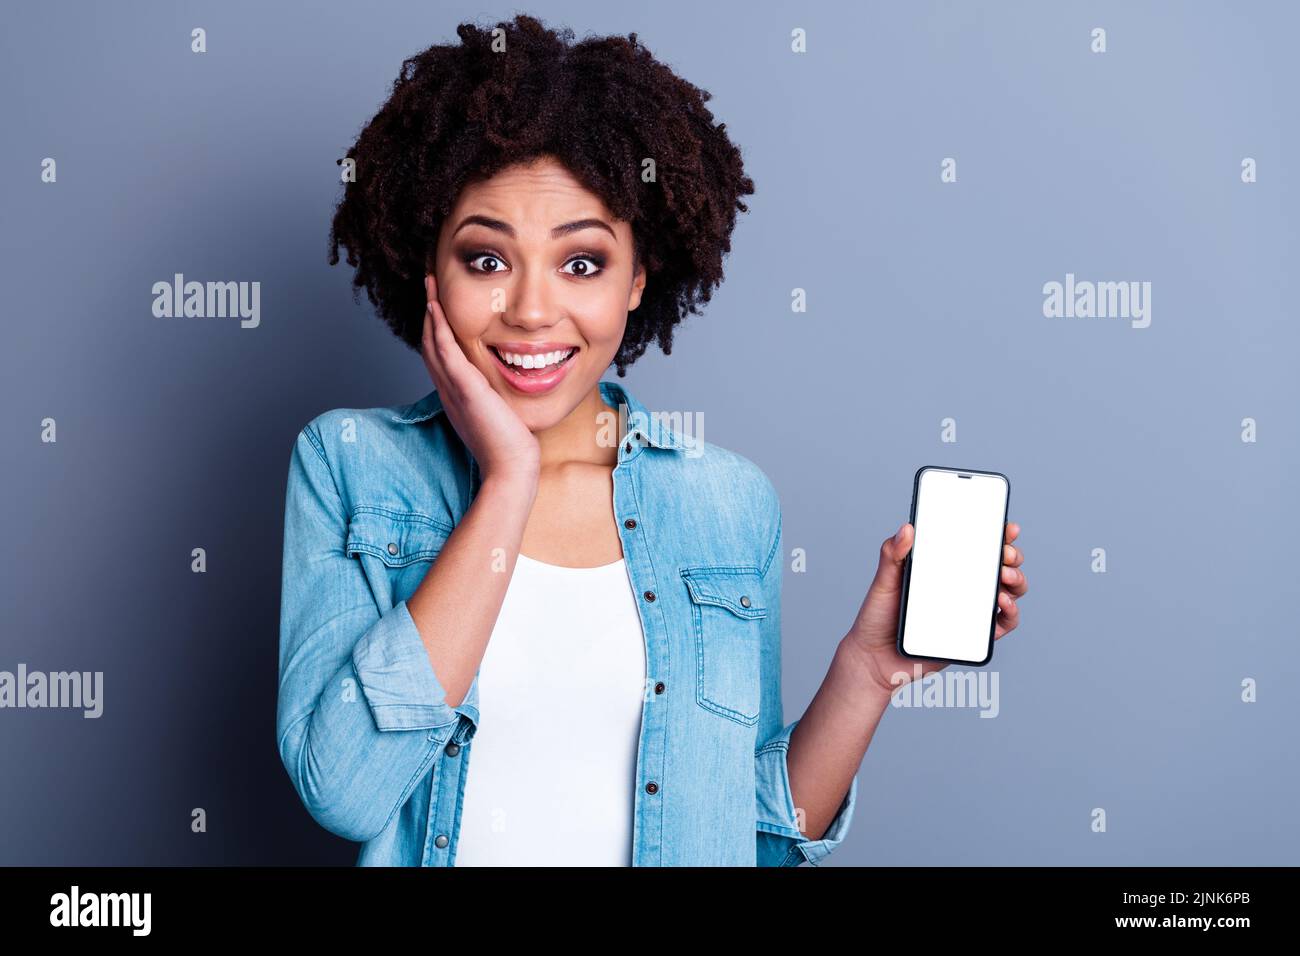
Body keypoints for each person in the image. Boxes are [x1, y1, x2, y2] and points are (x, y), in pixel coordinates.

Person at [276, 13, 1028, 867]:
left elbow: (752, 840)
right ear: (430, 274)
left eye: (582, 263)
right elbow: (343, 790)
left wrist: (868, 670)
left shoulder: (724, 502)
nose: (530, 309)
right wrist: (508, 479)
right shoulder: (349, 465)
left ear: (638, 278)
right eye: (487, 259)